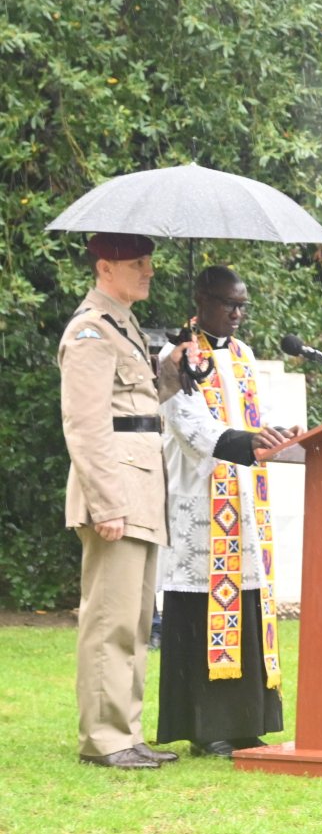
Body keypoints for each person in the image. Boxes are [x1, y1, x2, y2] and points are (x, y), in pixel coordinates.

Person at [155, 267, 302, 758]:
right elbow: (189, 427)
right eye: (228, 304)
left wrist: (275, 434)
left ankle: (245, 723)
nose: (237, 314)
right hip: (200, 498)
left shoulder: (243, 355)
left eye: (242, 306)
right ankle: (206, 727)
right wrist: (246, 441)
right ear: (202, 300)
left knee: (248, 602)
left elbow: (249, 418)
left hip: (245, 498)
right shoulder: (177, 356)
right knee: (203, 608)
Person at [57, 233, 179, 770]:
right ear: (105, 268)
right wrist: (105, 503)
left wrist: (173, 371)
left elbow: (138, 407)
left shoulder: (123, 324)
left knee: (134, 619)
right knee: (110, 618)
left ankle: (127, 733)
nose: (148, 271)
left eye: (148, 262)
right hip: (117, 491)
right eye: (137, 263)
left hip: (142, 487)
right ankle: (105, 739)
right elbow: (85, 425)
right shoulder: (90, 330)